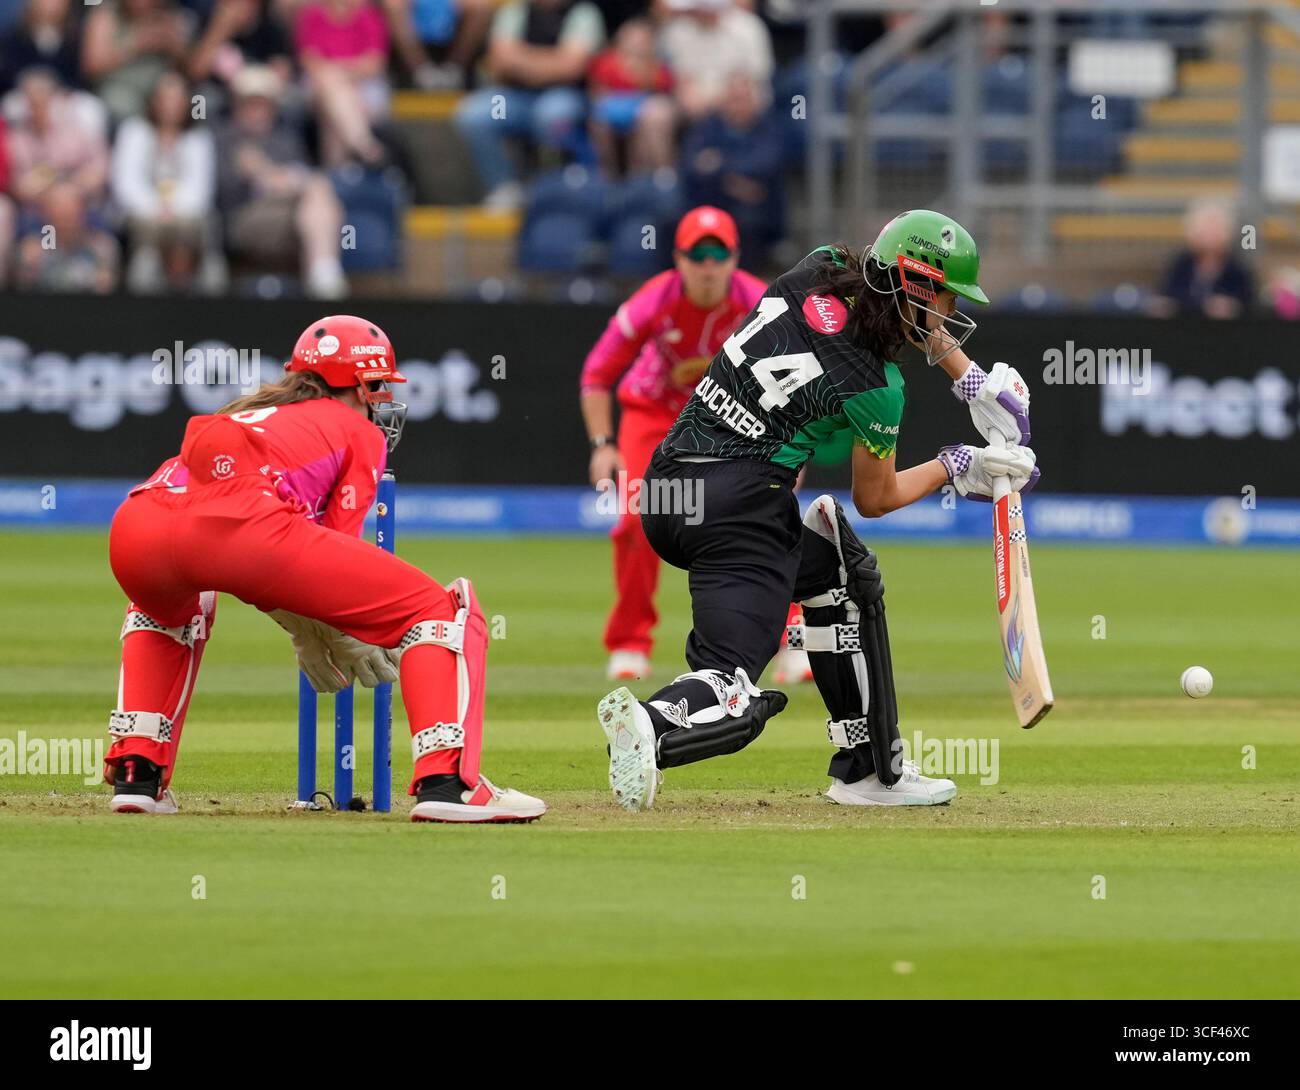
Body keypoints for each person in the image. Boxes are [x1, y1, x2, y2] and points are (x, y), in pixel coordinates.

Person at [596, 209, 1040, 810]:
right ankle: (651, 724)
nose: (949, 318)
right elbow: (875, 498)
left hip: (670, 488)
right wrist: (960, 466)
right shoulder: (876, 386)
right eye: (945, 300)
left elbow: (885, 297)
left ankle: (867, 770)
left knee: (842, 577)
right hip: (740, 508)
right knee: (732, 688)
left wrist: (970, 381)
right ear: (916, 287)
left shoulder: (822, 267)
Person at [104, 314, 546, 822]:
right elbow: (326, 547)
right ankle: (449, 786)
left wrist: (304, 627)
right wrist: (333, 628)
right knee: (441, 609)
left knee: (173, 608)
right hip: (242, 531)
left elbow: (217, 537)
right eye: (377, 386)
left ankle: (139, 774)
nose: (381, 400)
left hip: (137, 530)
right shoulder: (356, 431)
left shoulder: (256, 412)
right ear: (357, 386)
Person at [580, 206, 810, 683]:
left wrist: (794, 450)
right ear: (678, 259)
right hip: (657, 414)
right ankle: (629, 641)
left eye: (718, 253)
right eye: (697, 254)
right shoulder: (652, 302)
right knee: (637, 520)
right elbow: (597, 375)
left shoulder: (760, 304)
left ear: (734, 258)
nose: (708, 266)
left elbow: (793, 381)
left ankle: (793, 638)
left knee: (770, 513)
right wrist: (603, 443)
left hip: (735, 417)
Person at [454, 0, 605, 209]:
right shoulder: (515, 9)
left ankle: (551, 184)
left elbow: (572, 67)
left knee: (552, 114)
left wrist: (522, 60)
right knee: (476, 114)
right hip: (515, 97)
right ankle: (505, 186)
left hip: (565, 94)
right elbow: (499, 60)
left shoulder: (583, 12)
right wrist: (552, 63)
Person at [216, 64, 348, 297]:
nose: (256, 111)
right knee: (318, 192)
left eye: (262, 104)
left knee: (318, 192)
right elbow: (225, 191)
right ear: (237, 105)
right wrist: (280, 180)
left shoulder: (285, 141)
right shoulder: (225, 140)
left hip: (293, 217)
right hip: (243, 219)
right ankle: (324, 271)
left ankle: (322, 273)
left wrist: (266, 175)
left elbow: (303, 179)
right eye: (250, 104)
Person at [111, 69, 222, 293]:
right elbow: (126, 184)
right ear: (154, 102)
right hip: (144, 214)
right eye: (165, 99)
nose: (170, 106)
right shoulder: (134, 132)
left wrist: (173, 209)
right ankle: (142, 289)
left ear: (186, 103)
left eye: (177, 99)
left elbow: (201, 189)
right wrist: (156, 208)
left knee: (206, 228)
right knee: (148, 231)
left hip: (185, 215)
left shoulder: (199, 138)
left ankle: (212, 292)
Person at [295, 0, 392, 166]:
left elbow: (376, 63)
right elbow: (309, 61)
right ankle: (363, 145)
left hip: (362, 85)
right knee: (330, 86)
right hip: (318, 85)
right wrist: (339, 74)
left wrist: (340, 73)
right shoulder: (312, 14)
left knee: (332, 112)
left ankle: (336, 174)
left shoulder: (368, 15)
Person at [81, 0, 194, 125]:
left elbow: (190, 73)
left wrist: (175, 47)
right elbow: (92, 65)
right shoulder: (107, 13)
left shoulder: (171, 18)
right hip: (118, 90)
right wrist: (138, 43)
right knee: (121, 103)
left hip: (158, 96)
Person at [1147, 200, 1254, 319]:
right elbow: (1165, 296)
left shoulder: (1238, 269)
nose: (1211, 234)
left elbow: (1251, 305)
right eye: (1206, 228)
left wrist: (1233, 308)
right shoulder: (1180, 264)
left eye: (1216, 229)